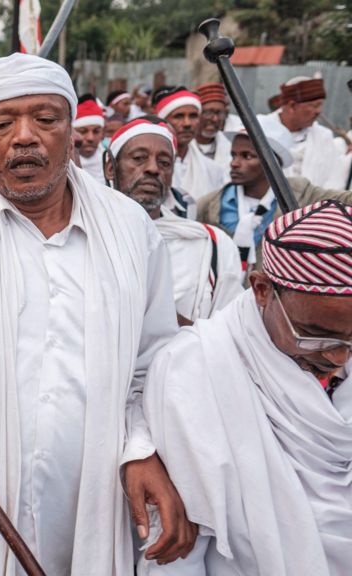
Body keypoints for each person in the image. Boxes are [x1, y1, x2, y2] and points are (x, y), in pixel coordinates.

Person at [0, 53, 195, 575]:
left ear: (72, 130)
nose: (24, 136)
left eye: (45, 119)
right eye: (2, 123)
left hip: (99, 504)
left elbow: (155, 360)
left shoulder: (129, 229)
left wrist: (142, 448)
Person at [142, 199, 352, 575]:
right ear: (261, 290)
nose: (339, 358)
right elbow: (178, 554)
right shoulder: (193, 370)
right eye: (315, 335)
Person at [105, 117, 243, 323]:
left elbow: (230, 329)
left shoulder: (210, 245)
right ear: (110, 169)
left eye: (165, 163)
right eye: (139, 158)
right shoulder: (87, 235)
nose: (153, 169)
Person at [197, 122, 352, 268]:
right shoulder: (209, 205)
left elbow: (345, 201)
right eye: (233, 155)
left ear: (273, 162)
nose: (234, 163)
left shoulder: (300, 193)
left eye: (247, 156)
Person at [259, 76, 345, 189]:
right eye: (315, 105)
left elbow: (335, 181)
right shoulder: (260, 130)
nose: (319, 111)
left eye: (321, 105)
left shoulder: (324, 137)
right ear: (292, 106)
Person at [154, 86, 227, 211]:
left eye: (193, 116)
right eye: (178, 116)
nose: (187, 124)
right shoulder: (150, 167)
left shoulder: (213, 170)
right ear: (164, 121)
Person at [193, 83, 232, 169]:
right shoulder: (183, 147)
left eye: (220, 113)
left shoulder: (230, 146)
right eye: (209, 113)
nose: (215, 119)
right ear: (196, 114)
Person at [73, 94, 107, 180]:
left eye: (96, 131)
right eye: (82, 131)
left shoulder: (112, 162)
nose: (90, 138)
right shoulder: (60, 167)